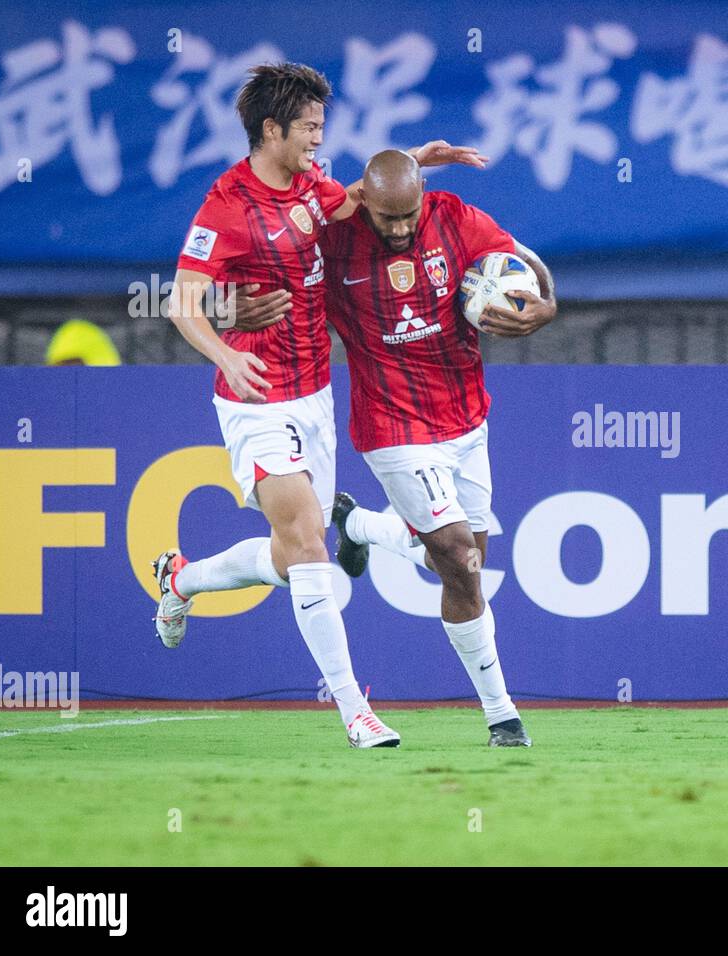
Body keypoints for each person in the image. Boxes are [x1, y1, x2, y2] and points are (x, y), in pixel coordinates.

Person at [158, 61, 483, 749]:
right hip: (254, 399)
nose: (316, 138)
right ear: (270, 129)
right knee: (311, 545)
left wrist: (418, 160)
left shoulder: (310, 184)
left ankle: (182, 578)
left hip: (315, 397)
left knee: (289, 559)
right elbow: (181, 301)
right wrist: (225, 349)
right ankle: (354, 711)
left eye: (320, 128)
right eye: (308, 127)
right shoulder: (225, 207)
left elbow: (354, 199)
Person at [241, 149, 556, 747]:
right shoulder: (335, 239)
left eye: (409, 214)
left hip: (467, 421)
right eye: (387, 218)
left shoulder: (454, 217)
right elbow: (274, 225)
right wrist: (220, 304)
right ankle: (502, 714)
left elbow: (526, 264)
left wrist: (546, 306)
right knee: (460, 560)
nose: (402, 227)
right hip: (393, 425)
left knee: (466, 567)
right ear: (364, 203)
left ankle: (358, 526)